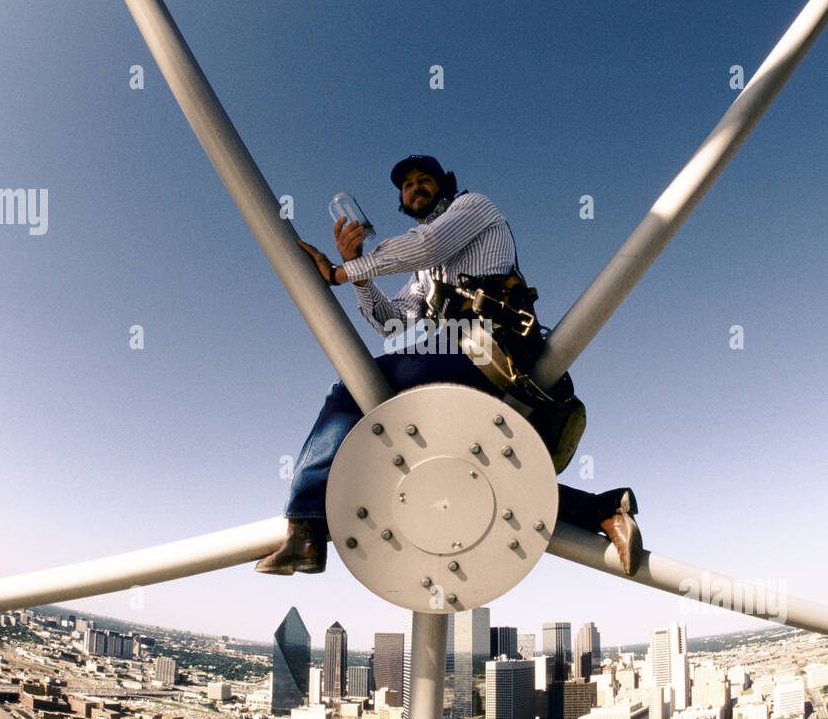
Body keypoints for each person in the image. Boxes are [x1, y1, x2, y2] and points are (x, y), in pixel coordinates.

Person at [255, 155, 643, 577]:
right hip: (460, 360)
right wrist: (363, 279)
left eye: (425, 180)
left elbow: (427, 244)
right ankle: (604, 509)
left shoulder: (474, 207)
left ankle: (306, 525)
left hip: (486, 351)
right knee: (465, 469)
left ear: (445, 187)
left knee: (349, 388)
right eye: (407, 185)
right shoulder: (425, 273)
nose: (415, 188)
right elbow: (393, 323)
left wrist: (341, 271)